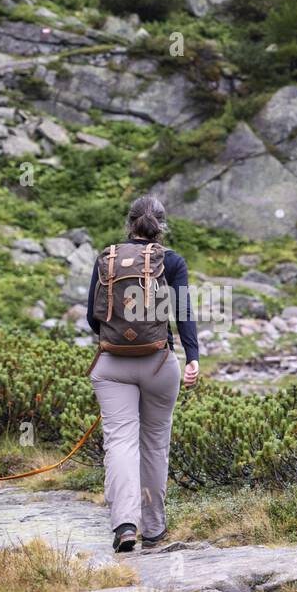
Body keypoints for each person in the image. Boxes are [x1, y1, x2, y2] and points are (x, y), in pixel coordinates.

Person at [86, 195, 199, 553]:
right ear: (162, 226)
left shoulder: (107, 259)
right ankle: (153, 528)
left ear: (129, 222)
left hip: (111, 365)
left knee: (120, 442)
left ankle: (124, 525)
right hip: (158, 363)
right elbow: (182, 312)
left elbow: (94, 318)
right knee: (154, 444)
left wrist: (121, 337)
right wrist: (193, 356)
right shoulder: (173, 262)